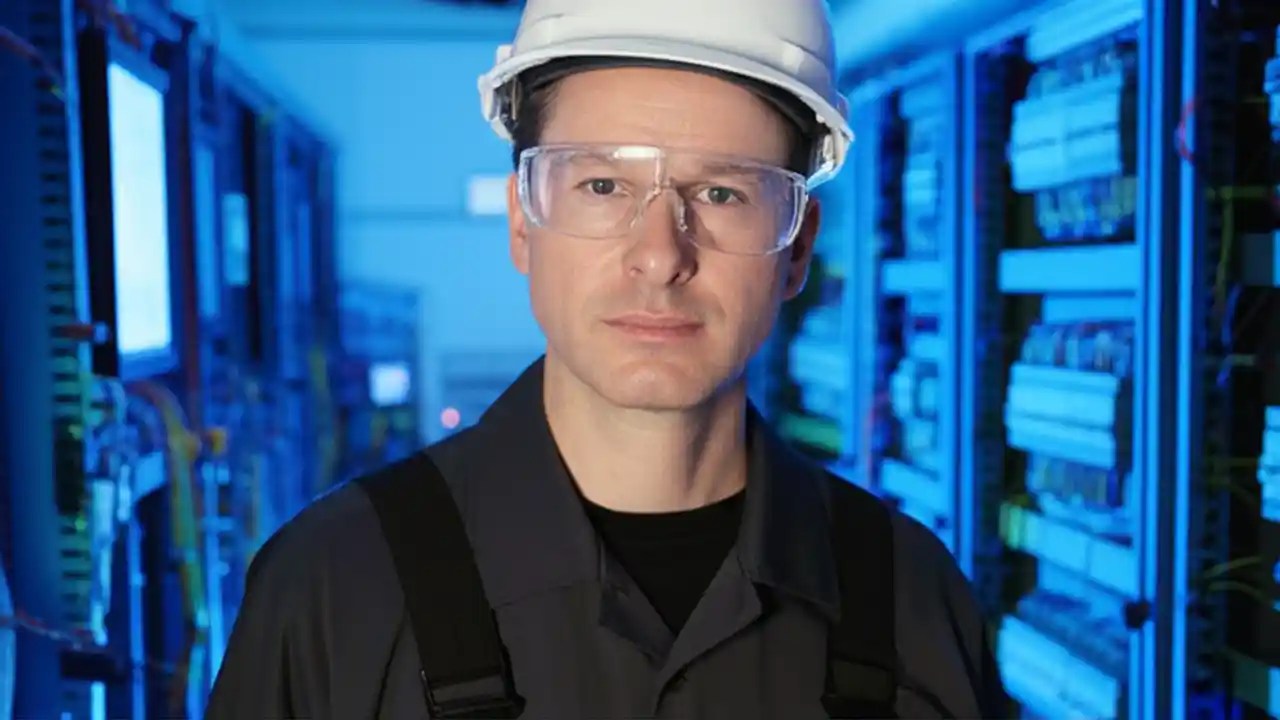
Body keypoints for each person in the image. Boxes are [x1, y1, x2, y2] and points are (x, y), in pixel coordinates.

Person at [205, 0, 1009, 717]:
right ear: (523, 224)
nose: (659, 256)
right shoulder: (333, 593)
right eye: (601, 187)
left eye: (722, 194)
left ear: (796, 248)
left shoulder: (912, 601)